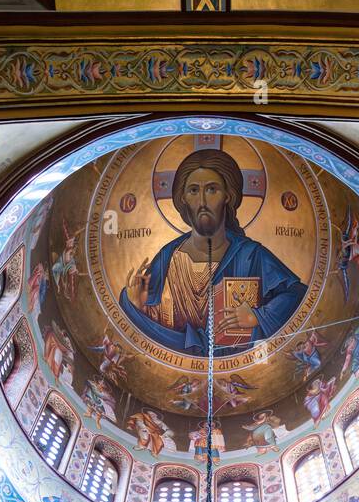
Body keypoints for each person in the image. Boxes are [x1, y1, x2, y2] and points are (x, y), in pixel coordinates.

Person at [121, 149, 306, 354]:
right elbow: (156, 326)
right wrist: (137, 305)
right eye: (193, 190)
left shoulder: (250, 255)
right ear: (182, 198)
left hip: (236, 364)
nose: (202, 201)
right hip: (177, 365)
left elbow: (296, 294)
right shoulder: (167, 257)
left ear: (228, 195)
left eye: (211, 189)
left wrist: (258, 317)